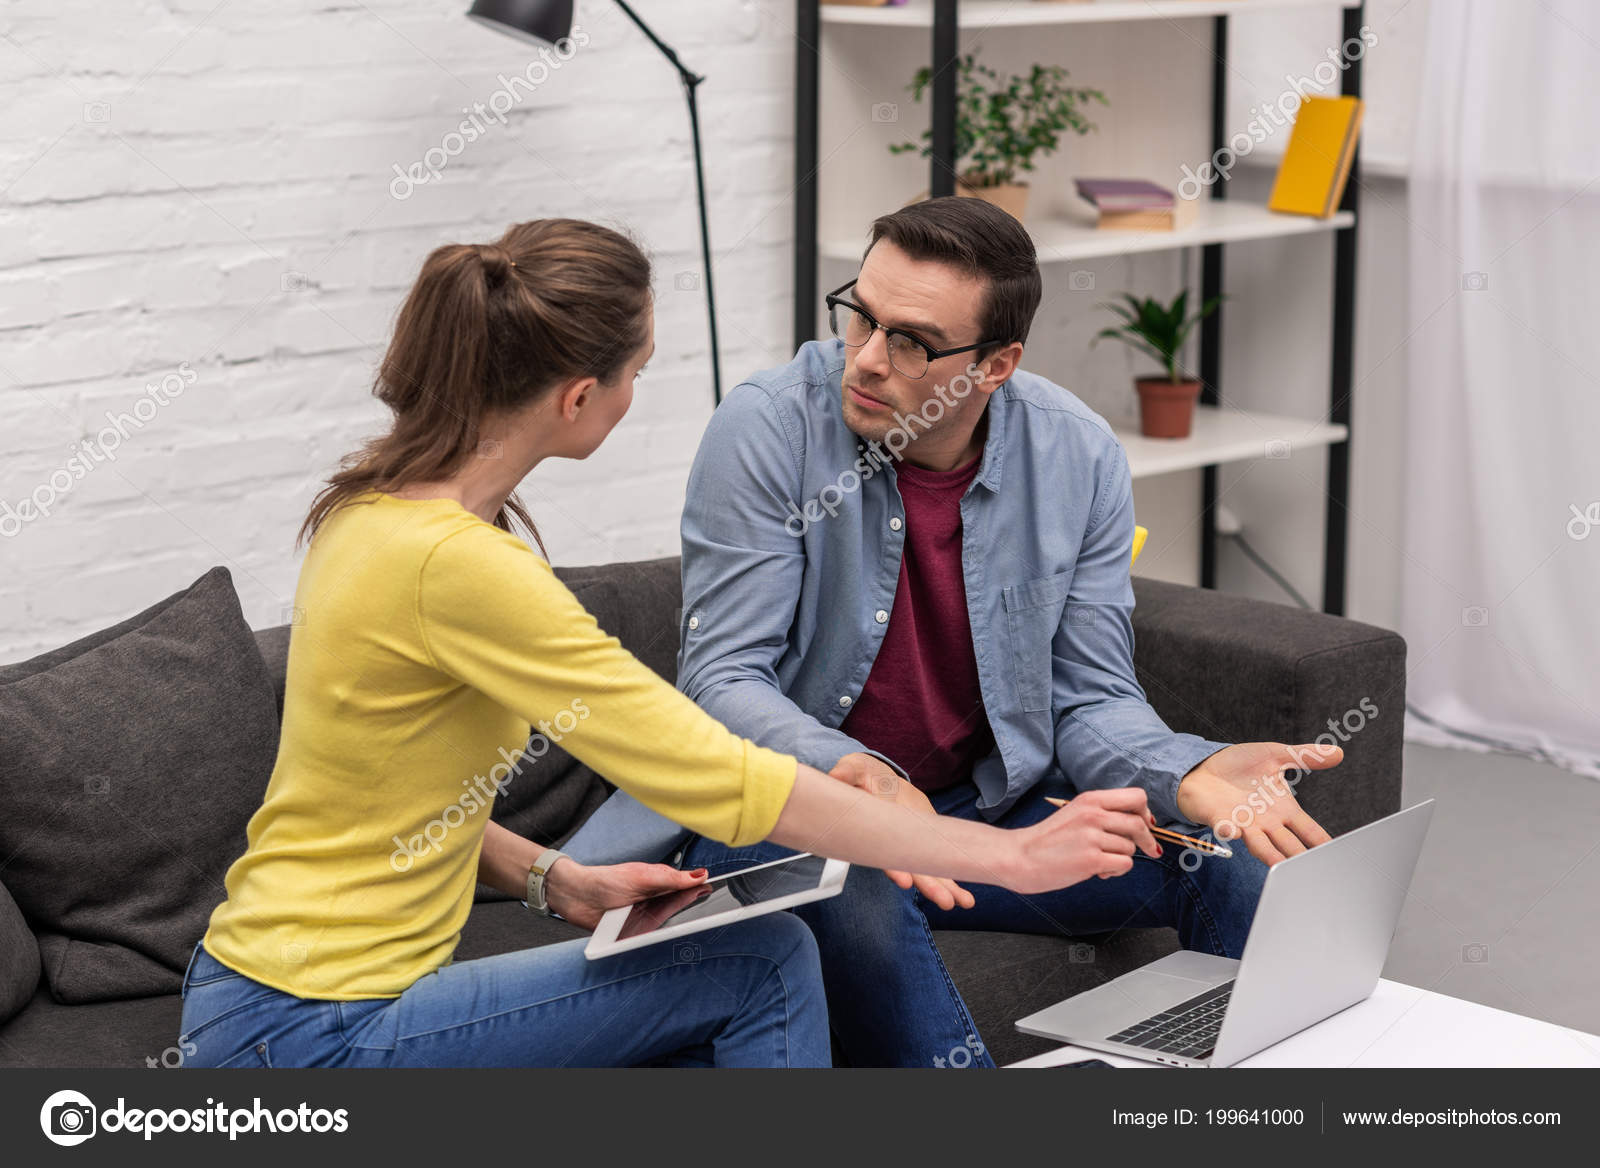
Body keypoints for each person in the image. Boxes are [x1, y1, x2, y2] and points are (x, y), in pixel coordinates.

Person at [177, 217, 1167, 1070]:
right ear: (577, 398)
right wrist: (1008, 854)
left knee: (731, 970)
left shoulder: (368, 513)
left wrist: (556, 878)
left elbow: (371, 796)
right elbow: (715, 774)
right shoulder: (466, 569)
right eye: (637, 372)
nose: (635, 394)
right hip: (308, 1031)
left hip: (257, 992)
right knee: (760, 962)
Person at [567, 197, 1344, 1067]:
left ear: (997, 363)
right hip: (796, 814)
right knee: (848, 867)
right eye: (859, 314)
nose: (865, 359)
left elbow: (1090, 698)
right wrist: (859, 776)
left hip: (992, 806)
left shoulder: (1077, 454)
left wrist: (1187, 768)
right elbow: (722, 681)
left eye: (911, 341)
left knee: (1232, 855)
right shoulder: (769, 426)